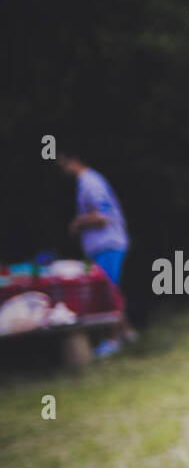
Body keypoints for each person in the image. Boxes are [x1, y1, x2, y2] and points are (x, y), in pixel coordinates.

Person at [56, 150, 135, 353]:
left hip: (108, 244)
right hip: (103, 246)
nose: (61, 168)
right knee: (112, 291)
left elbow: (103, 217)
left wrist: (78, 222)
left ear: (74, 160)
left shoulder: (90, 182)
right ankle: (128, 334)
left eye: (62, 162)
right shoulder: (87, 181)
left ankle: (113, 341)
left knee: (107, 294)